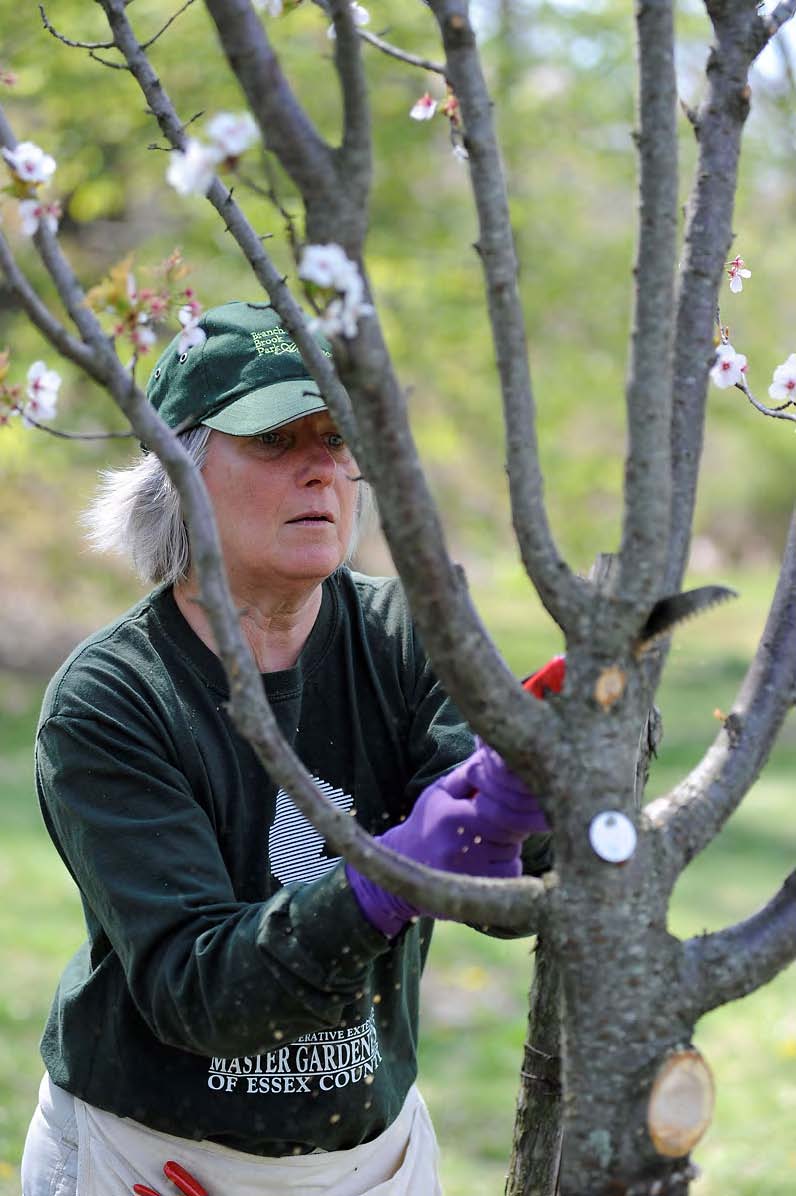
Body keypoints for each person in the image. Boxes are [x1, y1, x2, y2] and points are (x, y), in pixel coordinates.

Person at [21, 301, 550, 1196]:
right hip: (151, 1160)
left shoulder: (410, 634)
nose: (324, 471)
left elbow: (511, 900)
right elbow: (198, 990)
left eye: (338, 438)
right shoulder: (110, 700)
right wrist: (386, 878)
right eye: (277, 442)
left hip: (372, 1160)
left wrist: (534, 797)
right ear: (178, 471)